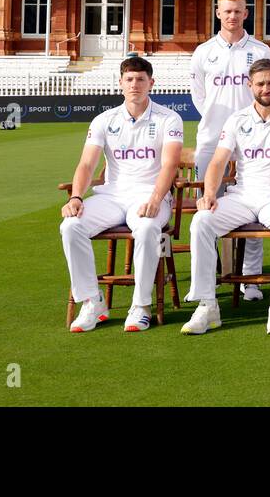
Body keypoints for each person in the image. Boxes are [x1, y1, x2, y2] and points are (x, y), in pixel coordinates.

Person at [181, 59, 270, 336]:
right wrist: (210, 194)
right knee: (202, 221)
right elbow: (217, 162)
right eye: (260, 83)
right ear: (249, 86)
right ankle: (207, 304)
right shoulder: (237, 119)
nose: (266, 88)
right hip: (243, 195)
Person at [60, 56, 183, 333]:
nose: (135, 84)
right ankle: (93, 301)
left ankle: (140, 306)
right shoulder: (105, 119)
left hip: (150, 195)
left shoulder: (169, 118)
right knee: (71, 226)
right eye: (129, 79)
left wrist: (154, 199)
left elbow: (170, 164)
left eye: (140, 79)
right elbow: (87, 164)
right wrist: (76, 197)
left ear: (151, 83)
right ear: (120, 83)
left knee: (148, 226)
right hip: (112, 196)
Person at [190, 0, 270, 295]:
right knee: (208, 207)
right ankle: (211, 277)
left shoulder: (260, 49)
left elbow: (267, 90)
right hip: (213, 140)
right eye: (227, 11)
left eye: (237, 11)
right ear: (217, 13)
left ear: (246, 13)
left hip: (254, 140)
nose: (232, 16)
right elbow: (199, 95)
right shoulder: (203, 52)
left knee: (253, 205)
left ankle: (250, 278)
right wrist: (220, 123)